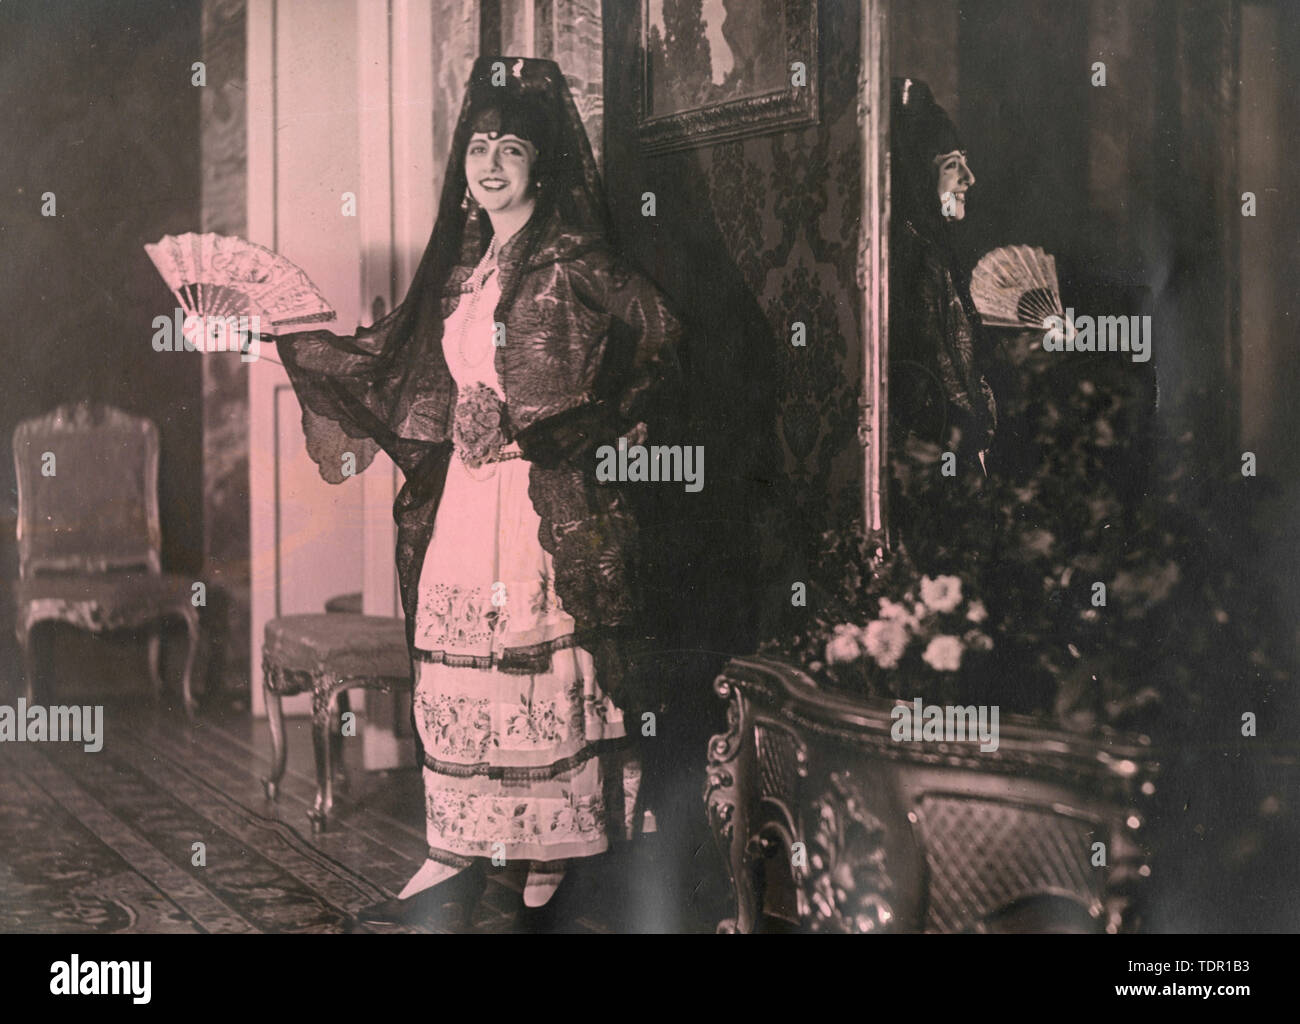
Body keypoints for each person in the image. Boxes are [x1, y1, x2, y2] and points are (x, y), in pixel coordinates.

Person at [271, 56, 685, 931]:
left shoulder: (575, 258)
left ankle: (547, 856)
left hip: (537, 500)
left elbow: (663, 342)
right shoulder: (466, 266)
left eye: (511, 149)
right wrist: (287, 345)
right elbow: (395, 364)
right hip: (468, 499)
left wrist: (561, 428)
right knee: (464, 671)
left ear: (543, 164)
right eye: (477, 150)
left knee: (535, 667)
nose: (490, 165)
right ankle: (456, 847)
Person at [888, 77, 999, 565]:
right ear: (919, 176)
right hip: (929, 451)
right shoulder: (914, 257)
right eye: (953, 167)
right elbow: (938, 373)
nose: (969, 179)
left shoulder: (940, 251)